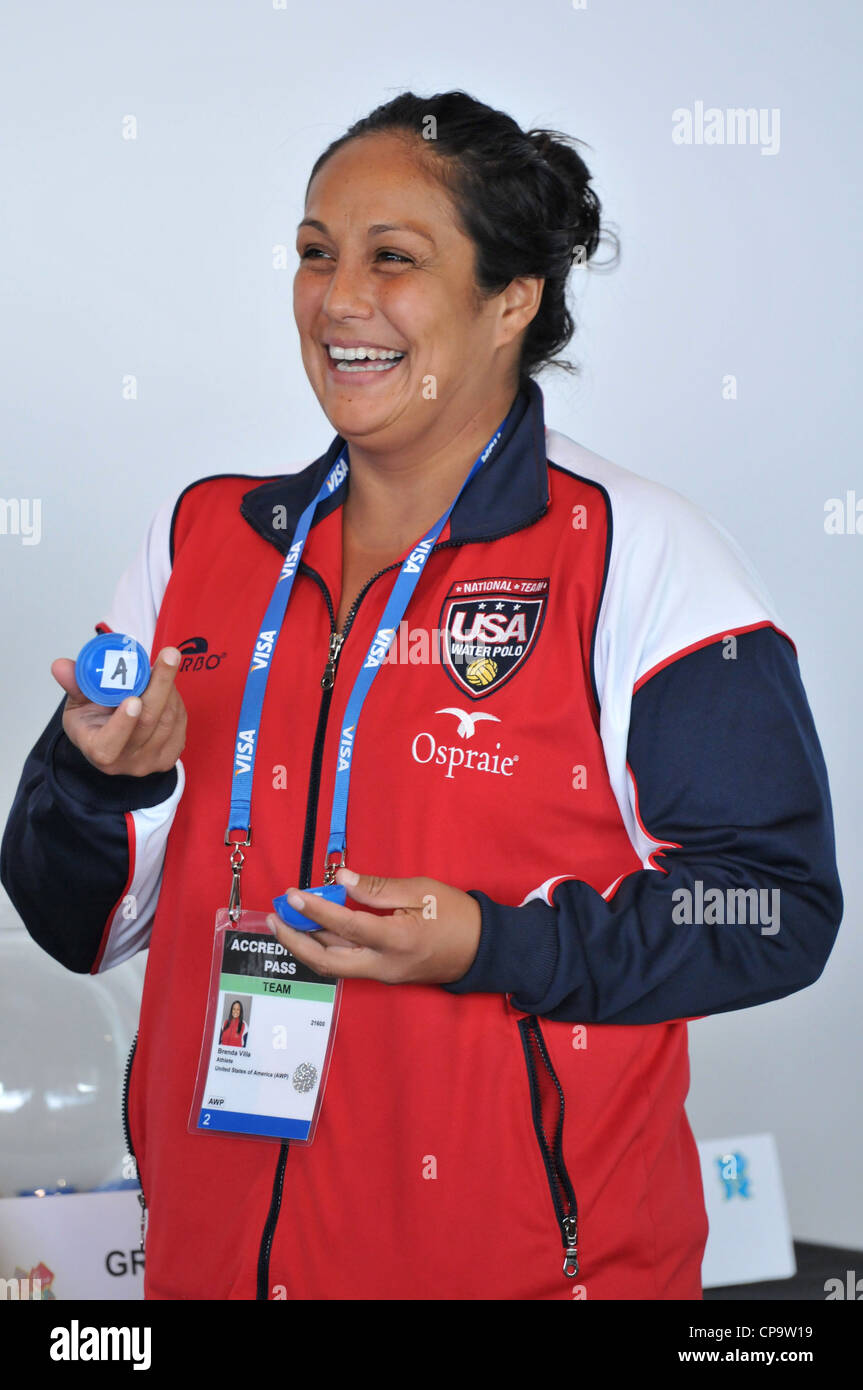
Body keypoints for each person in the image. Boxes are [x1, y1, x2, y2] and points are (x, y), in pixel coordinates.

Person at [0, 89, 842, 1301]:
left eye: (393, 259)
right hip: (209, 1266)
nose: (338, 299)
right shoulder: (207, 538)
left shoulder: (639, 553)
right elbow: (73, 924)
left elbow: (774, 906)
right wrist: (103, 777)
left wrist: (489, 943)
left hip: (538, 1276)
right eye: (313, 252)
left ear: (512, 300)